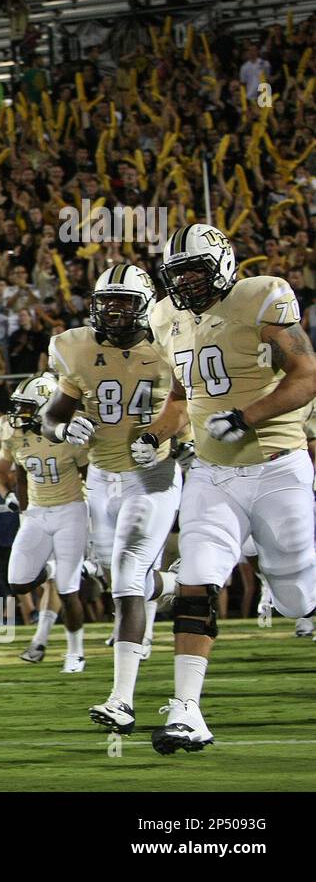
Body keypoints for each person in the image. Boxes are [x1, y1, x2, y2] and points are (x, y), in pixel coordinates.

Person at [140, 224, 316, 754]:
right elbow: (178, 395)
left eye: (195, 269)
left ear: (221, 263)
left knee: (295, 597)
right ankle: (187, 710)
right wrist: (156, 434)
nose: (187, 282)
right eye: (178, 273)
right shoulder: (164, 316)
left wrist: (247, 416)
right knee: (198, 579)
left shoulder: (262, 296)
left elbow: (307, 374)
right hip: (212, 475)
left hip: (277, 469)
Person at [40, 264, 181, 735]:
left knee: (124, 576)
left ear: (144, 306)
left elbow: (192, 405)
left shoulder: (169, 343)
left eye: (124, 301)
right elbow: (51, 416)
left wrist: (169, 436)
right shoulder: (76, 347)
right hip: (101, 477)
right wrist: (64, 427)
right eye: (107, 301)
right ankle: (172, 585)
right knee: (112, 573)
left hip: (152, 473)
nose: (114, 310)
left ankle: (121, 699)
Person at [0, 373, 90, 671]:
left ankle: (75, 652)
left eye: (27, 407)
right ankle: (50, 567)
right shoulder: (15, 434)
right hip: (36, 512)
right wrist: (15, 501)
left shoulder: (69, 437)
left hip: (70, 510)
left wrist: (92, 516)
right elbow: (11, 472)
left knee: (67, 587)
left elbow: (90, 477)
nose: (19, 414)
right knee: (18, 583)